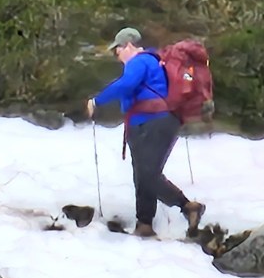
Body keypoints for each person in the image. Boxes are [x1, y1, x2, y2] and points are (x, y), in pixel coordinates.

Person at [85, 26, 205, 239]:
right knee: (142, 175)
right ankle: (144, 224)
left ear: (129, 45)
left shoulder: (140, 61)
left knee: (148, 175)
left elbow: (127, 84)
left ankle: (188, 206)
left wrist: (98, 101)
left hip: (155, 122)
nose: (117, 55)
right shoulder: (148, 62)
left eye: (118, 50)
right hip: (144, 125)